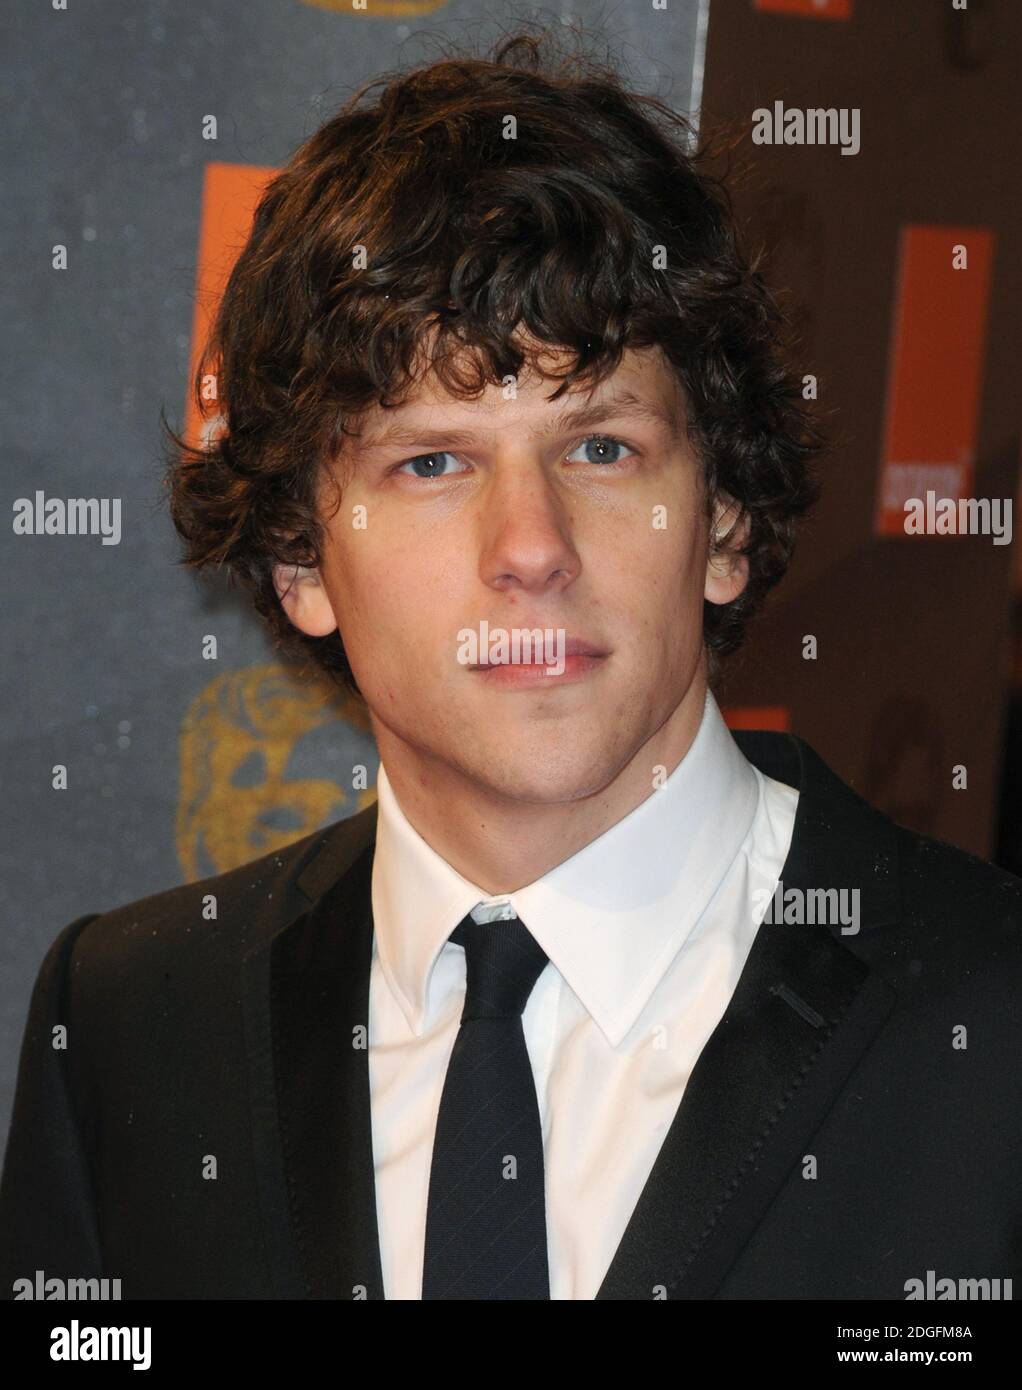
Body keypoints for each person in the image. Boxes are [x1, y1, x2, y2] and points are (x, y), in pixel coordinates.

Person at [2, 29, 1020, 1302]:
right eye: (430, 463)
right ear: (298, 562)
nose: (530, 550)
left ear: (721, 522)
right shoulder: (129, 1024)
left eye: (599, 448)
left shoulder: (989, 1020)